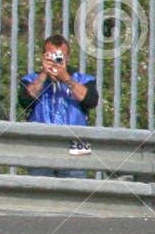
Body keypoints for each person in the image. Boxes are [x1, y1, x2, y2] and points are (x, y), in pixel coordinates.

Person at [18, 34, 98, 177]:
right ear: (43, 56)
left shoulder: (84, 80)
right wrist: (43, 75)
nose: (56, 60)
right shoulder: (31, 79)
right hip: (40, 147)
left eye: (60, 56)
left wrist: (65, 78)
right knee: (40, 192)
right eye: (51, 56)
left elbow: (91, 101)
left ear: (67, 57)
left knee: (75, 194)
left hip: (75, 148)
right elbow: (25, 100)